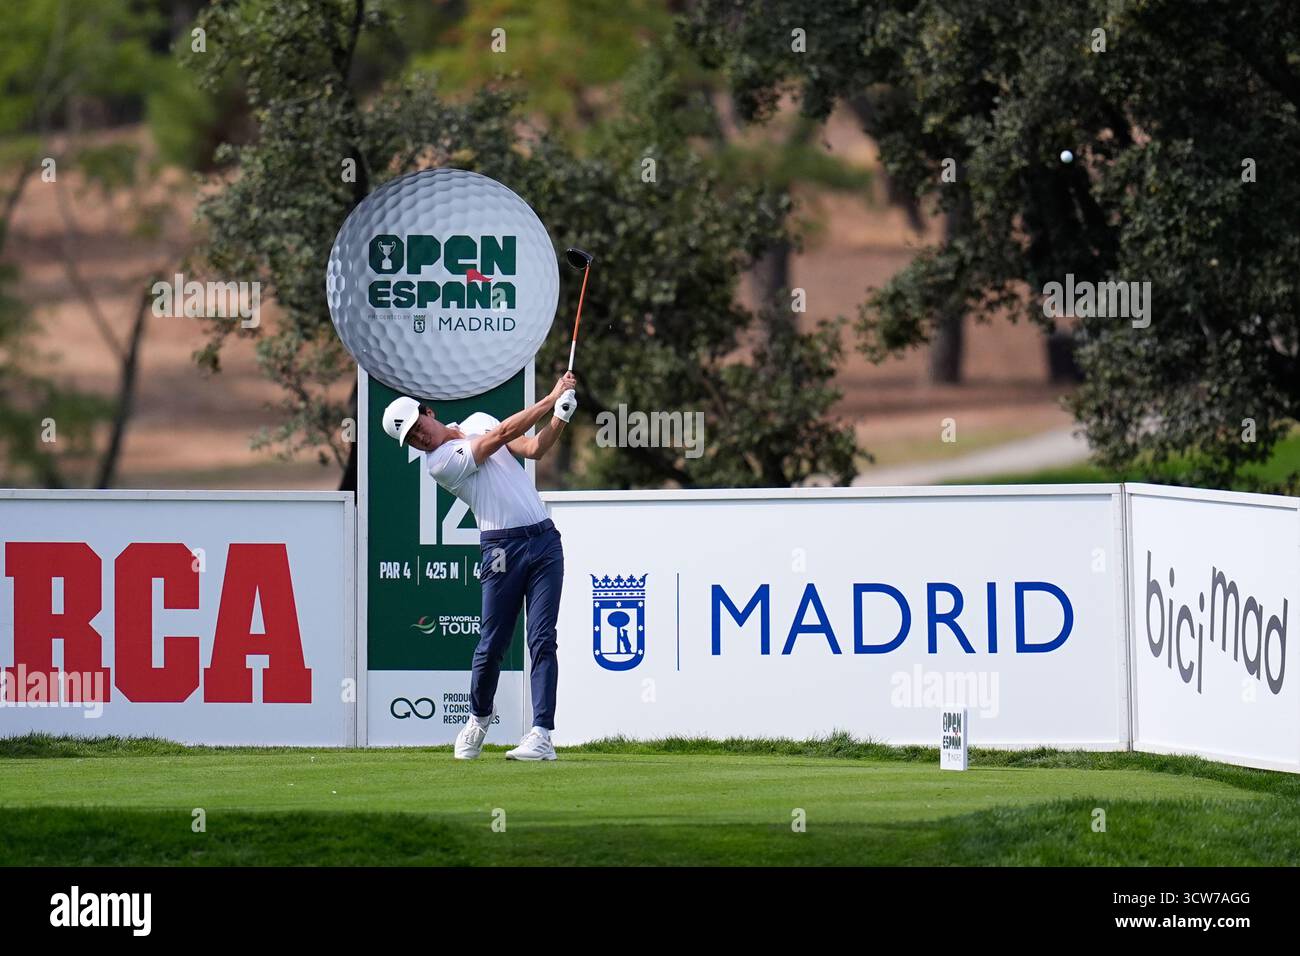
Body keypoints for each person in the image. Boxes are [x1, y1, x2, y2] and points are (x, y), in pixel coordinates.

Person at [382, 372, 577, 761]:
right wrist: (550, 397)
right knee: (492, 644)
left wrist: (561, 417)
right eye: (410, 440)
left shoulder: (477, 420)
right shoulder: (438, 464)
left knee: (542, 639)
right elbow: (501, 435)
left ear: (428, 412)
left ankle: (541, 735)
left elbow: (535, 448)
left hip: (544, 541)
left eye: (417, 428)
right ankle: (479, 719)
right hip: (501, 549)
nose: (419, 439)